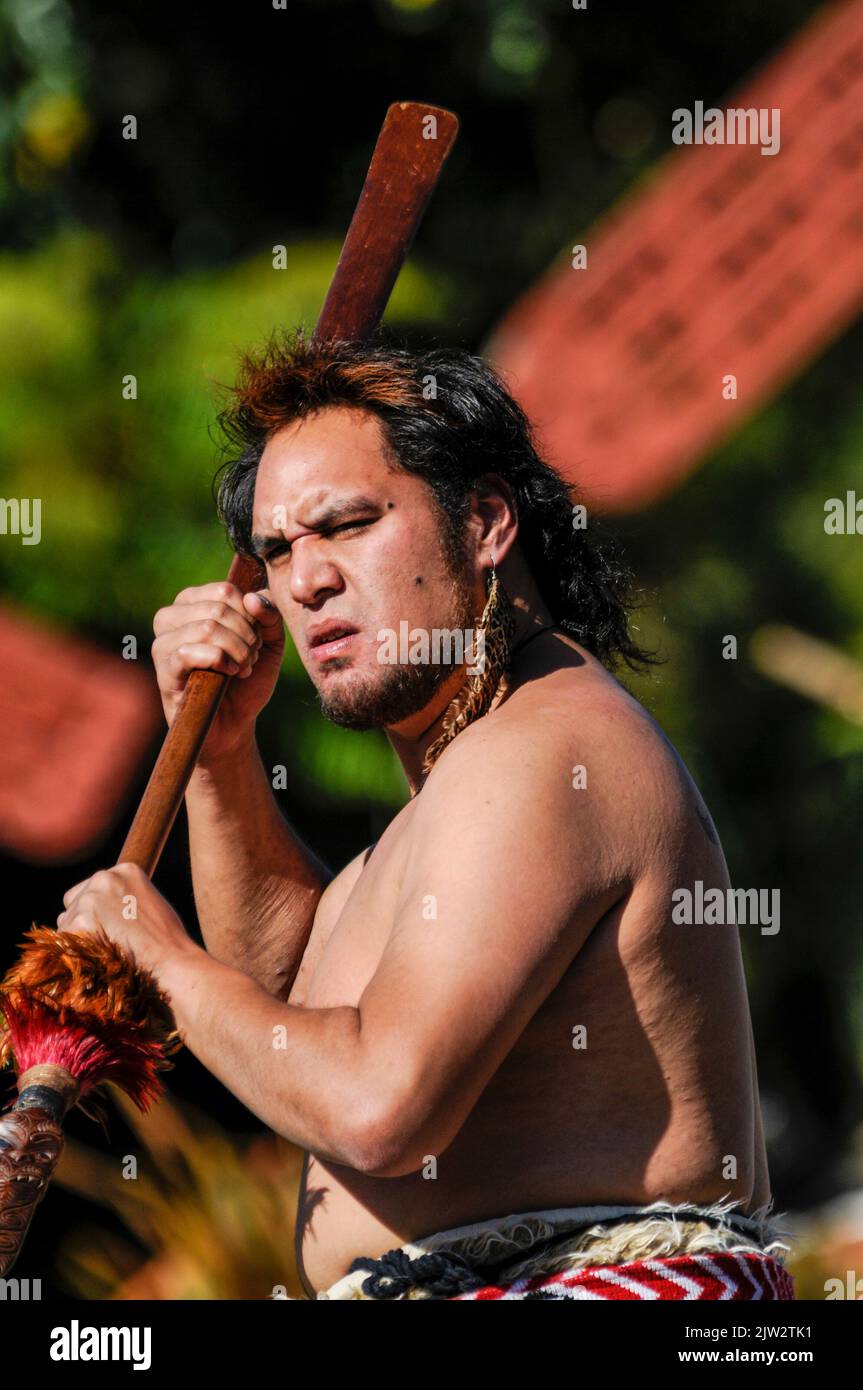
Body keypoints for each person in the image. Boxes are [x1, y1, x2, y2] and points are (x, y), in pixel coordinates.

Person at [58, 331, 794, 1300]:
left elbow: (375, 1106)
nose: (307, 577)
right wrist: (220, 758)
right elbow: (285, 1008)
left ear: (485, 522)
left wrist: (160, 959)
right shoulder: (450, 795)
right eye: (278, 549)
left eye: (347, 525)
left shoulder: (543, 752)